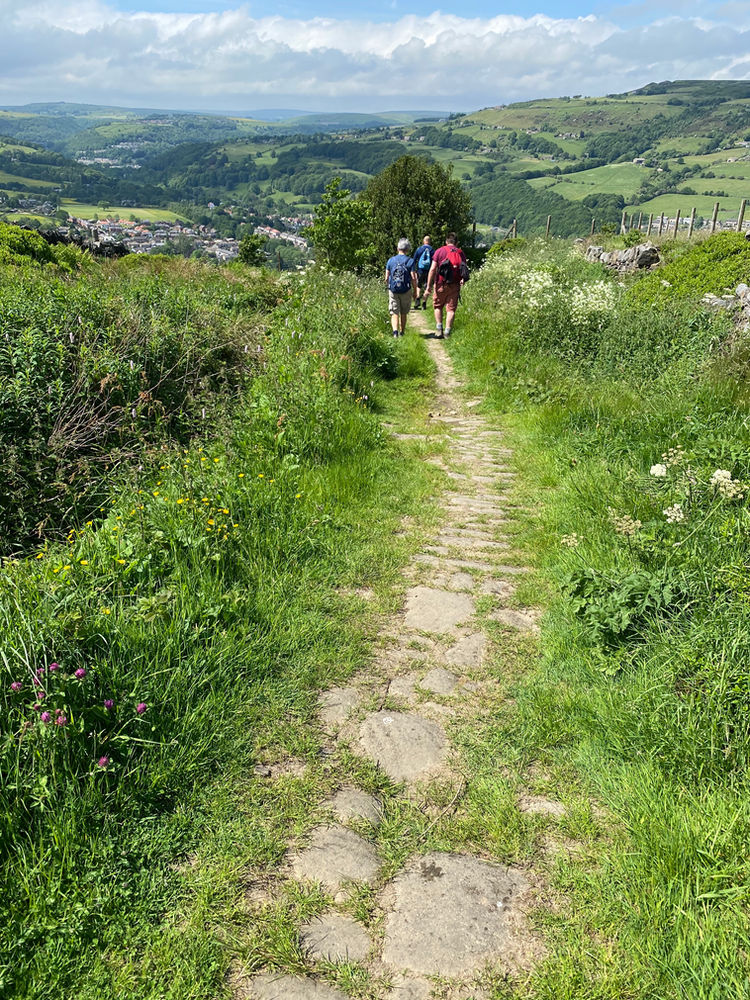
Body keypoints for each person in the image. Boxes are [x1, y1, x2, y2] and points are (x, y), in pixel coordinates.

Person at [426, 232, 468, 339]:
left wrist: (428, 286)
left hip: (441, 283)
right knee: (451, 309)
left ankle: (439, 329)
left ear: (446, 241)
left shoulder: (439, 251)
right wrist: (462, 279)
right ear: (456, 242)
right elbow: (464, 269)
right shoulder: (460, 252)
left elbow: (432, 269)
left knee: (438, 306)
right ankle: (447, 332)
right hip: (455, 284)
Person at [384, 238, 416, 336]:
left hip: (393, 290)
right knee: (403, 312)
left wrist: (388, 286)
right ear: (407, 249)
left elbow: (386, 277)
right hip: (406, 290)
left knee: (394, 312)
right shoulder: (410, 261)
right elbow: (413, 277)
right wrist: (415, 290)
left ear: (398, 248)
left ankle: (395, 333)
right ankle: (402, 332)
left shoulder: (391, 260)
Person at [412, 235, 433, 310]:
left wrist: (413, 270)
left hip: (420, 270)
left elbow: (414, 260)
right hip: (429, 271)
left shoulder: (419, 249)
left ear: (424, 241)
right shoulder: (432, 250)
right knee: (427, 286)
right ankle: (424, 303)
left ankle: (417, 300)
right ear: (429, 241)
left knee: (419, 285)